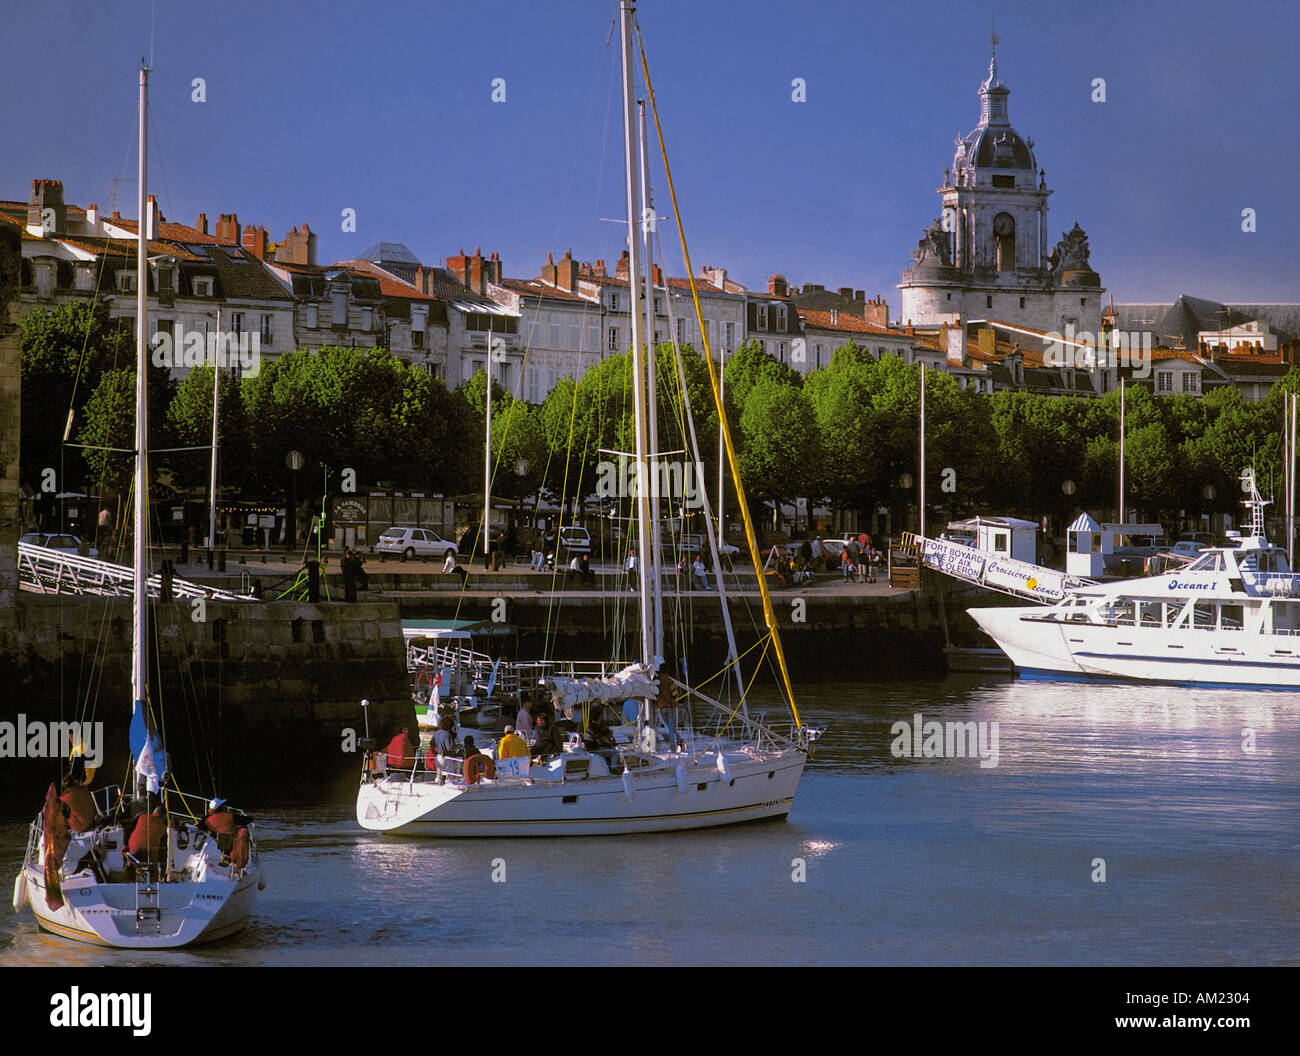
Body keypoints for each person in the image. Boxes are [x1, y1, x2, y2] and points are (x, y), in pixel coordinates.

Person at [128, 796, 167, 867]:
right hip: (149, 856)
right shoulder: (162, 828)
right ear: (163, 817)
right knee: (154, 867)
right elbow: (163, 851)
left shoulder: (141, 817)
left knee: (130, 866)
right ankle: (156, 877)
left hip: (133, 852)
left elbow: (128, 829)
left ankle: (129, 875)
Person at [59, 767, 96, 833]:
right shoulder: (84, 788)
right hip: (92, 819)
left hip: (82, 827)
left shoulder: (65, 798)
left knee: (64, 814)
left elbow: (61, 801)